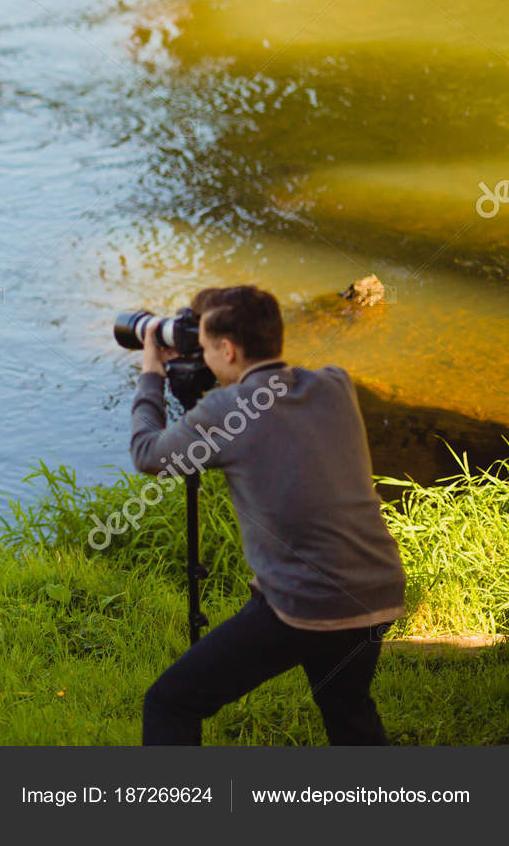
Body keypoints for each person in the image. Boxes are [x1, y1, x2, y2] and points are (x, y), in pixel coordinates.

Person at [129, 284, 407, 745]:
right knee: (347, 708)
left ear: (228, 349)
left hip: (305, 602)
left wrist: (152, 373)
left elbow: (147, 454)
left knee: (170, 703)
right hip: (377, 588)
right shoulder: (336, 385)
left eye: (204, 344)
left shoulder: (227, 410)